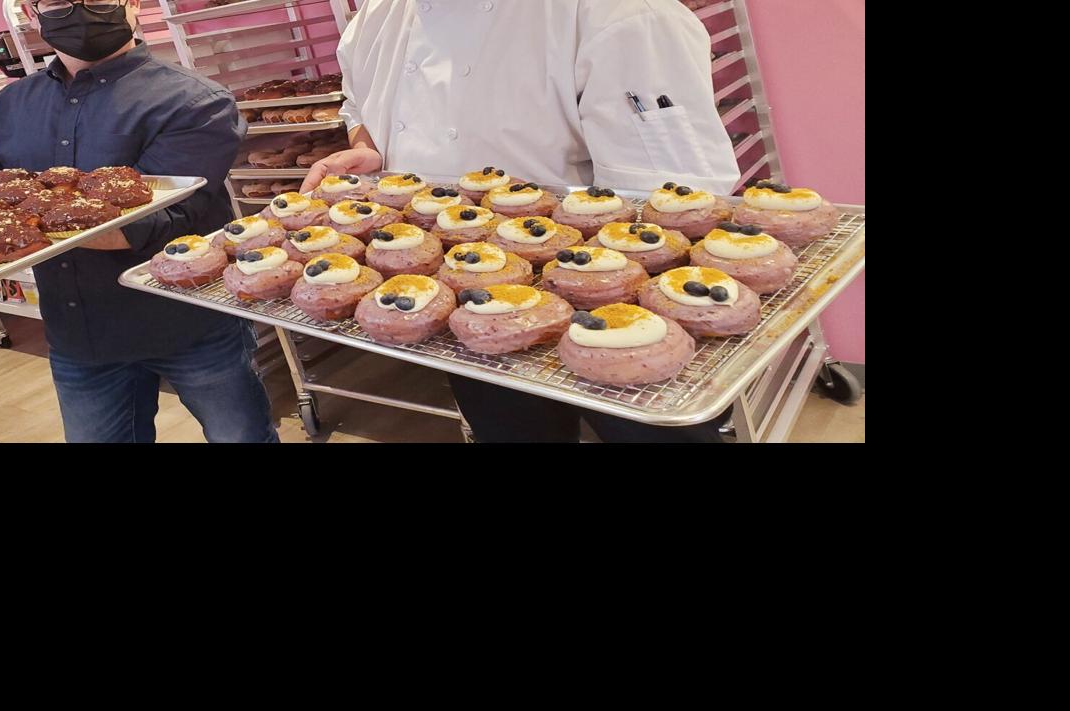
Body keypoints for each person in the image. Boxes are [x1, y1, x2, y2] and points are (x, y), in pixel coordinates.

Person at [0, 0, 275, 443]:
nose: (78, 11)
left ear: (133, 5)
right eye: (58, 2)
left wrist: (20, 225)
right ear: (30, 10)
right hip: (77, 332)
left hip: (188, 323)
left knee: (242, 437)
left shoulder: (193, 101)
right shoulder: (11, 105)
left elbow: (167, 218)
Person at [303, 0, 742, 442]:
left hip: (621, 308)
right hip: (471, 301)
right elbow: (357, 105)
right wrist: (368, 151)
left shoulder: (619, 13)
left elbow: (673, 203)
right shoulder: (377, 17)